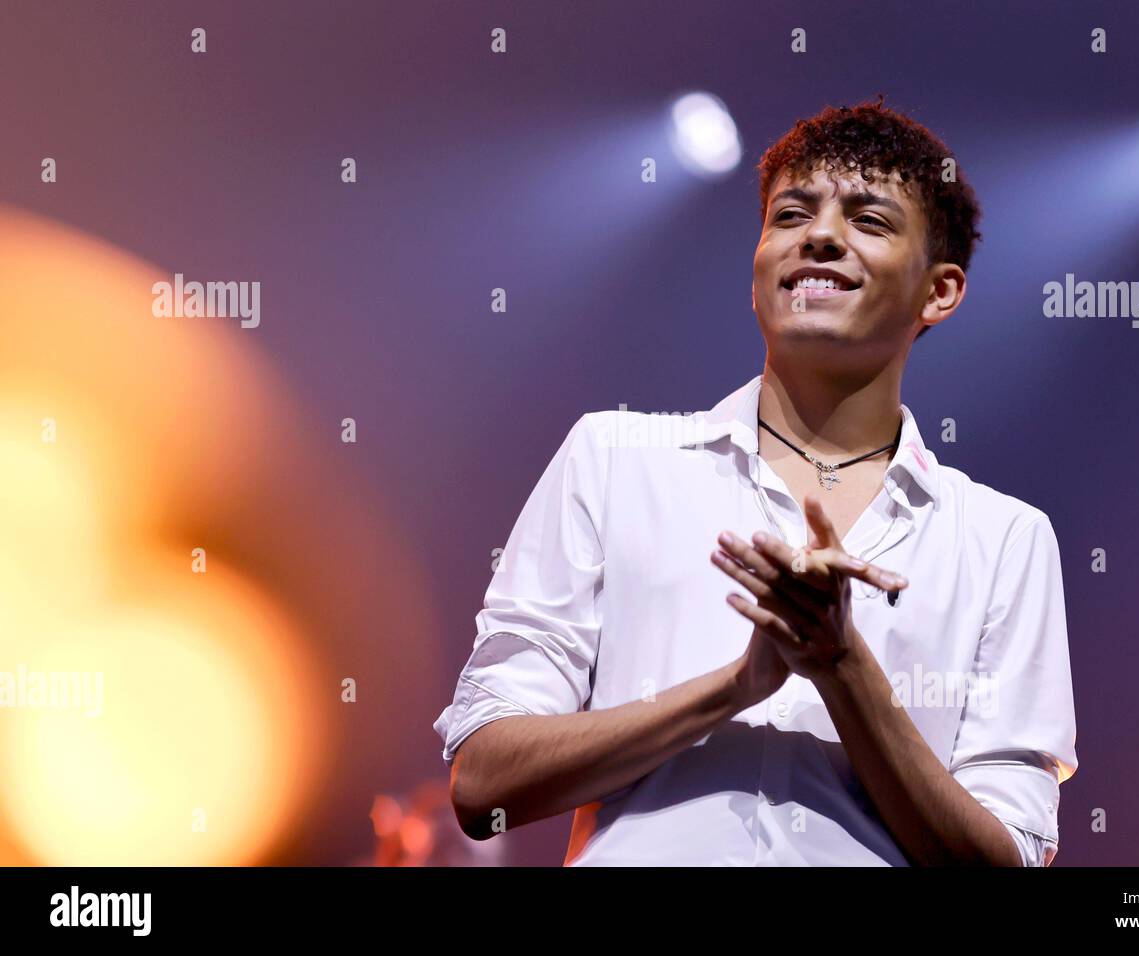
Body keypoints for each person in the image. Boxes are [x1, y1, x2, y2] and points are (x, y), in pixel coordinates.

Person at [434, 96, 1078, 866]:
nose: (820, 237)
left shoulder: (1003, 538)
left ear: (938, 292)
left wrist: (842, 667)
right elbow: (483, 787)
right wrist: (739, 685)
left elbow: (1009, 857)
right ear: (757, 273)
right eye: (790, 216)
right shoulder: (614, 458)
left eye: (869, 222)